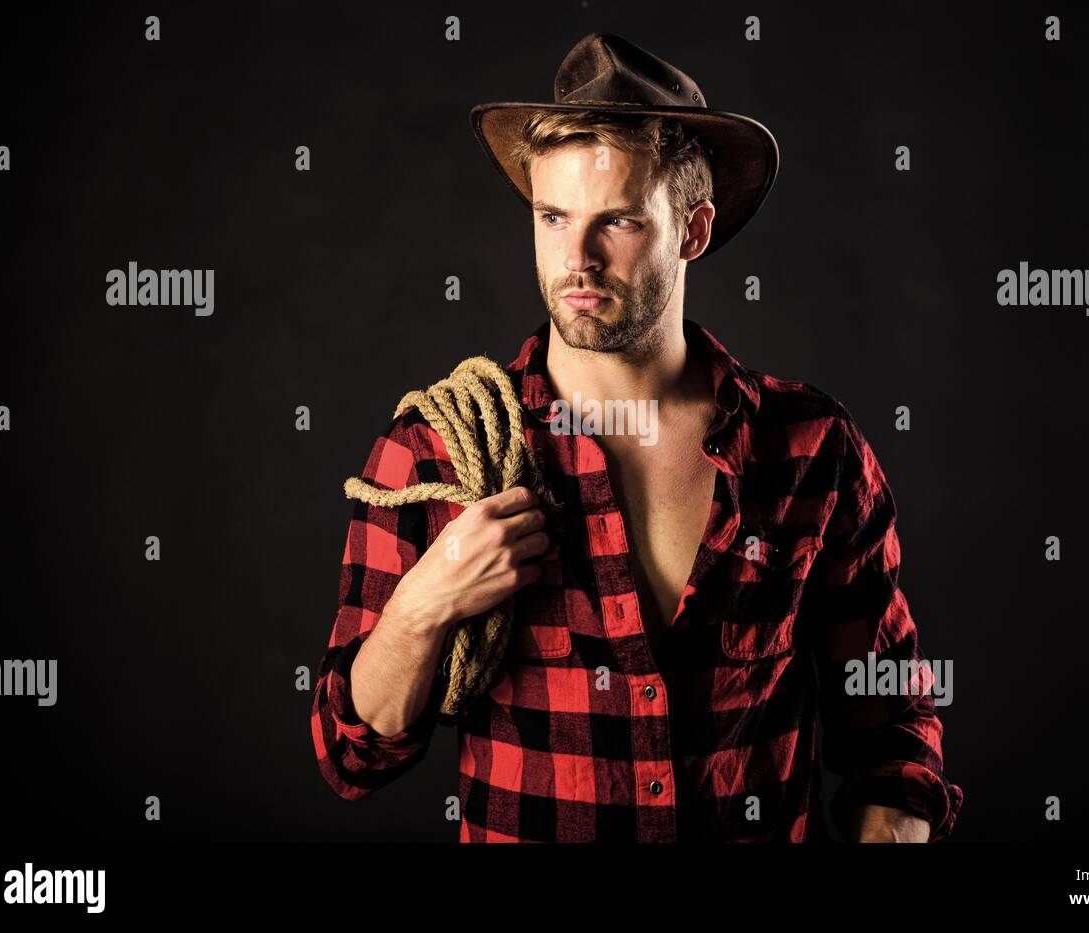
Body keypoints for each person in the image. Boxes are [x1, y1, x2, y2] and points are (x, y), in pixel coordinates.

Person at [311, 32, 963, 842]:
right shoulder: (438, 454)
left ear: (692, 230)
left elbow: (894, 730)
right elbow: (351, 752)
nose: (575, 258)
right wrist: (426, 602)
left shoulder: (811, 452)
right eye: (553, 216)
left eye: (616, 219)